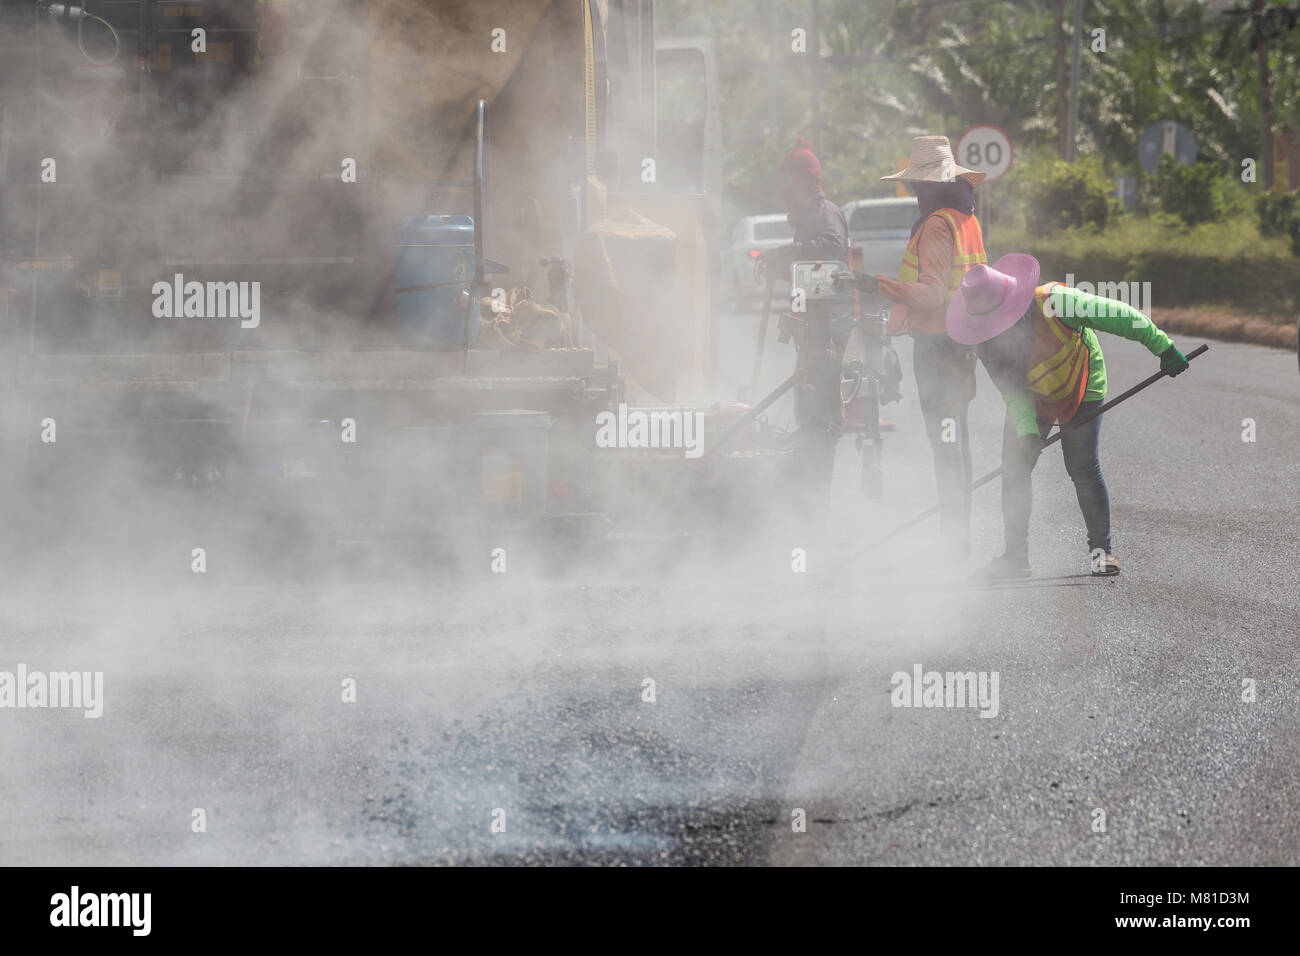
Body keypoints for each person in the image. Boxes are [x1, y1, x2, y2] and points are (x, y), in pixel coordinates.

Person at [945, 255, 1191, 580]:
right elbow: (1013, 393)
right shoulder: (987, 344)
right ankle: (1016, 558)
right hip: (1035, 397)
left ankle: (1102, 554)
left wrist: (1163, 347)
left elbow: (1121, 315)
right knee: (1014, 468)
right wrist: (1028, 433)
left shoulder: (1056, 303)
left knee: (1082, 466)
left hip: (1081, 383)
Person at [872, 136, 988, 558]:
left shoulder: (938, 223)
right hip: (963, 342)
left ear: (929, 185)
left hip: (940, 345)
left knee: (945, 441)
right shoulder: (967, 219)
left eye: (918, 185)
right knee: (957, 438)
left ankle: (953, 539)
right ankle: (960, 532)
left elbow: (934, 292)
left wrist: (880, 286)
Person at [756, 136, 851, 532]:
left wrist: (785, 255)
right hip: (813, 333)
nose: (783, 192)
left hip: (826, 336)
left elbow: (830, 250)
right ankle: (807, 502)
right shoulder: (809, 218)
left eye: (788, 183)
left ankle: (814, 511)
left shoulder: (826, 214)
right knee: (810, 417)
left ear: (808, 183)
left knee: (821, 422)